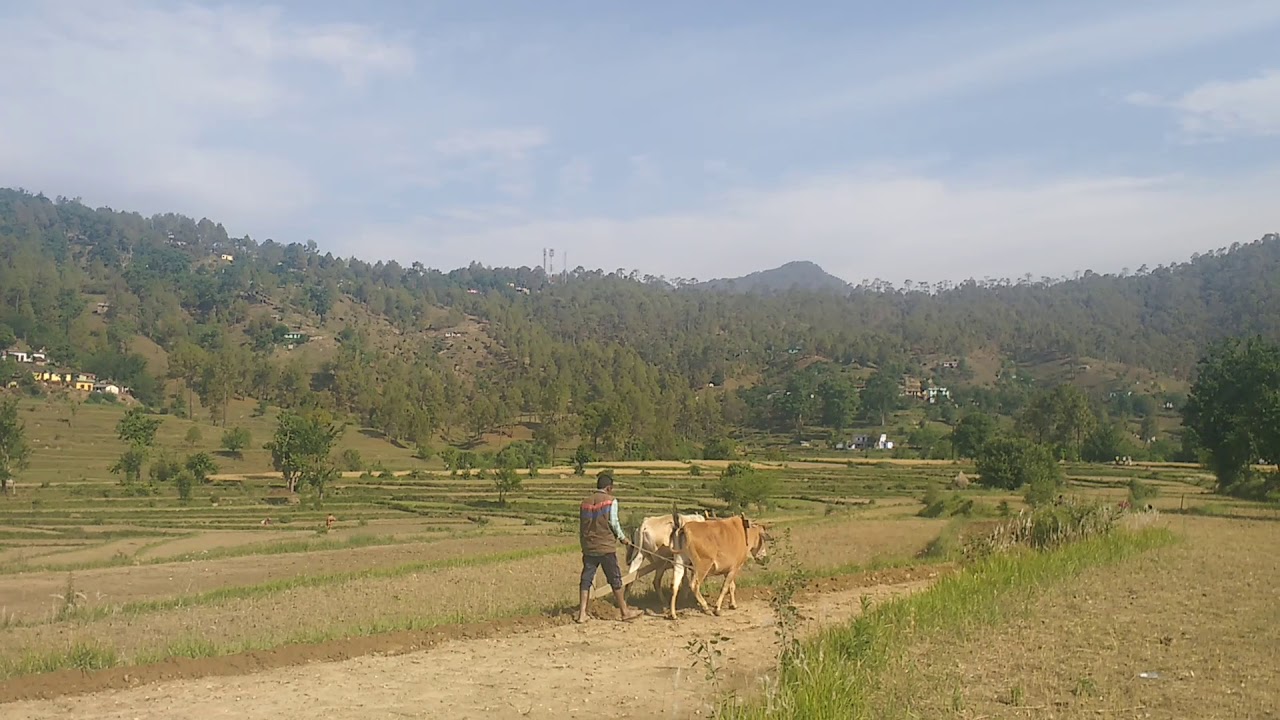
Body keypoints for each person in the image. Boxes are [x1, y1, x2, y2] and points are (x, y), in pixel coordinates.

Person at [576, 470, 643, 623]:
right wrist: (623, 538)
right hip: (606, 547)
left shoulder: (584, 502)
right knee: (615, 578)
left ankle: (582, 614)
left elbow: (582, 526)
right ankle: (625, 612)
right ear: (609, 488)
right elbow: (614, 522)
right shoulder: (610, 501)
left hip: (589, 547)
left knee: (586, 579)